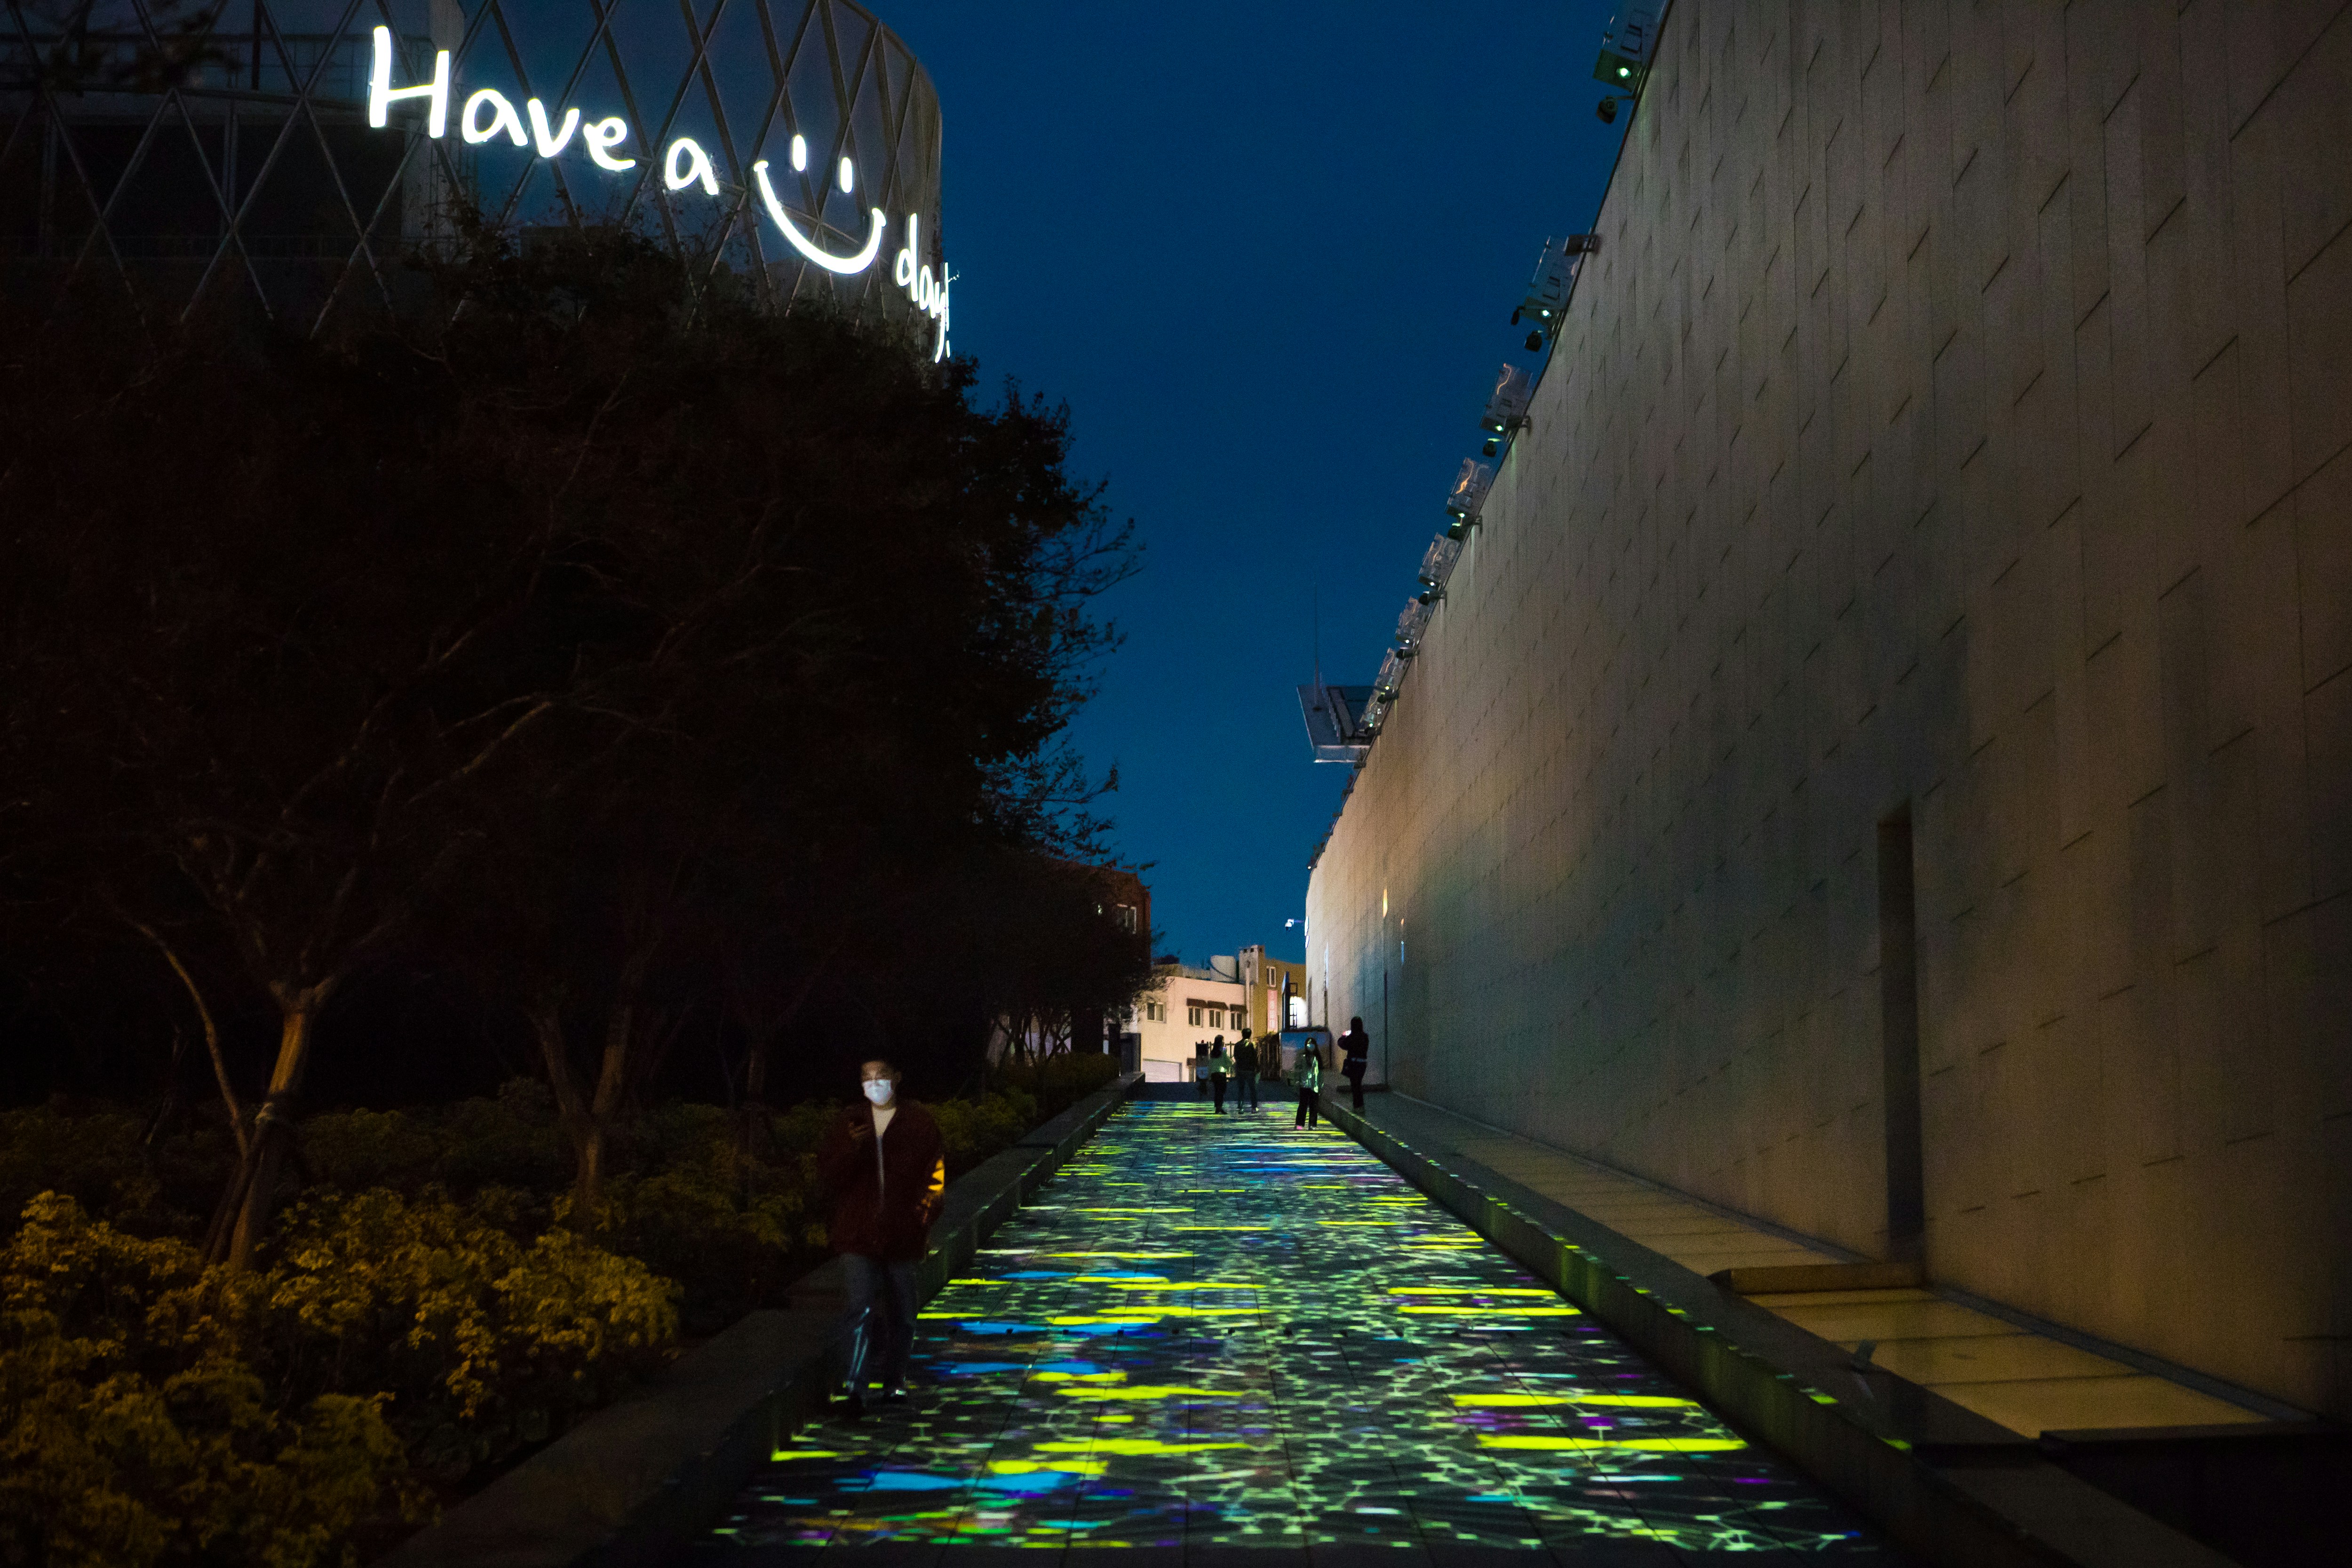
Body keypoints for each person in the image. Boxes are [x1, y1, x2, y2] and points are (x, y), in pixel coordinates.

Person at [816, 1059, 946, 1416]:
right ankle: (856, 1388)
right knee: (859, 1309)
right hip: (858, 1233)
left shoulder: (918, 1122)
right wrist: (851, 1148)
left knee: (903, 1312)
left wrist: (921, 1219)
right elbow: (829, 1175)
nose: (875, 1083)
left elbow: (934, 1176)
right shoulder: (850, 1123)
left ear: (897, 1078)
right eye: (867, 1078)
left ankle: (894, 1382)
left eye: (881, 1076)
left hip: (903, 1234)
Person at [1339, 1016, 1372, 1111]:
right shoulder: (1365, 1037)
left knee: (1355, 1085)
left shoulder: (1352, 1037)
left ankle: (1358, 1106)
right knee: (1358, 1084)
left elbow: (1342, 1044)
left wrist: (1344, 1035)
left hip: (1354, 1064)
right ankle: (1360, 1105)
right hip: (1362, 1064)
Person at [1292, 1039, 1323, 1129]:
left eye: (1312, 1044)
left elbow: (1320, 1073)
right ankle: (1299, 1124)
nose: (1310, 1046)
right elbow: (1298, 1070)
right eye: (1309, 1044)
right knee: (1303, 1105)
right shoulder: (1303, 1057)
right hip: (1304, 1085)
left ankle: (1312, 1124)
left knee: (1314, 1106)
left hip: (1315, 1085)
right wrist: (1297, 1081)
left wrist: (1321, 1085)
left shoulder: (1318, 1058)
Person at [1234, 1029, 1261, 1110]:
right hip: (1250, 1070)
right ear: (1250, 1035)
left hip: (1240, 1069)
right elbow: (1255, 1057)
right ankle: (1254, 1107)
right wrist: (1257, 1067)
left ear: (1242, 1035)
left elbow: (1236, 1056)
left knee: (1241, 1089)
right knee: (1252, 1089)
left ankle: (1241, 1107)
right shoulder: (1251, 1045)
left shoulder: (1237, 1045)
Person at [1207, 1035, 1230, 1114]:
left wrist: (1209, 1076)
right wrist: (1229, 1068)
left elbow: (1210, 1065)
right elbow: (1227, 1062)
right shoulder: (1223, 1052)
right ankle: (1219, 1107)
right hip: (1221, 1074)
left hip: (1214, 1075)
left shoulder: (1213, 1053)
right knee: (1222, 1091)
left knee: (1217, 1091)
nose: (1224, 1043)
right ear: (1221, 1042)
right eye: (1223, 1041)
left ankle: (1217, 1107)